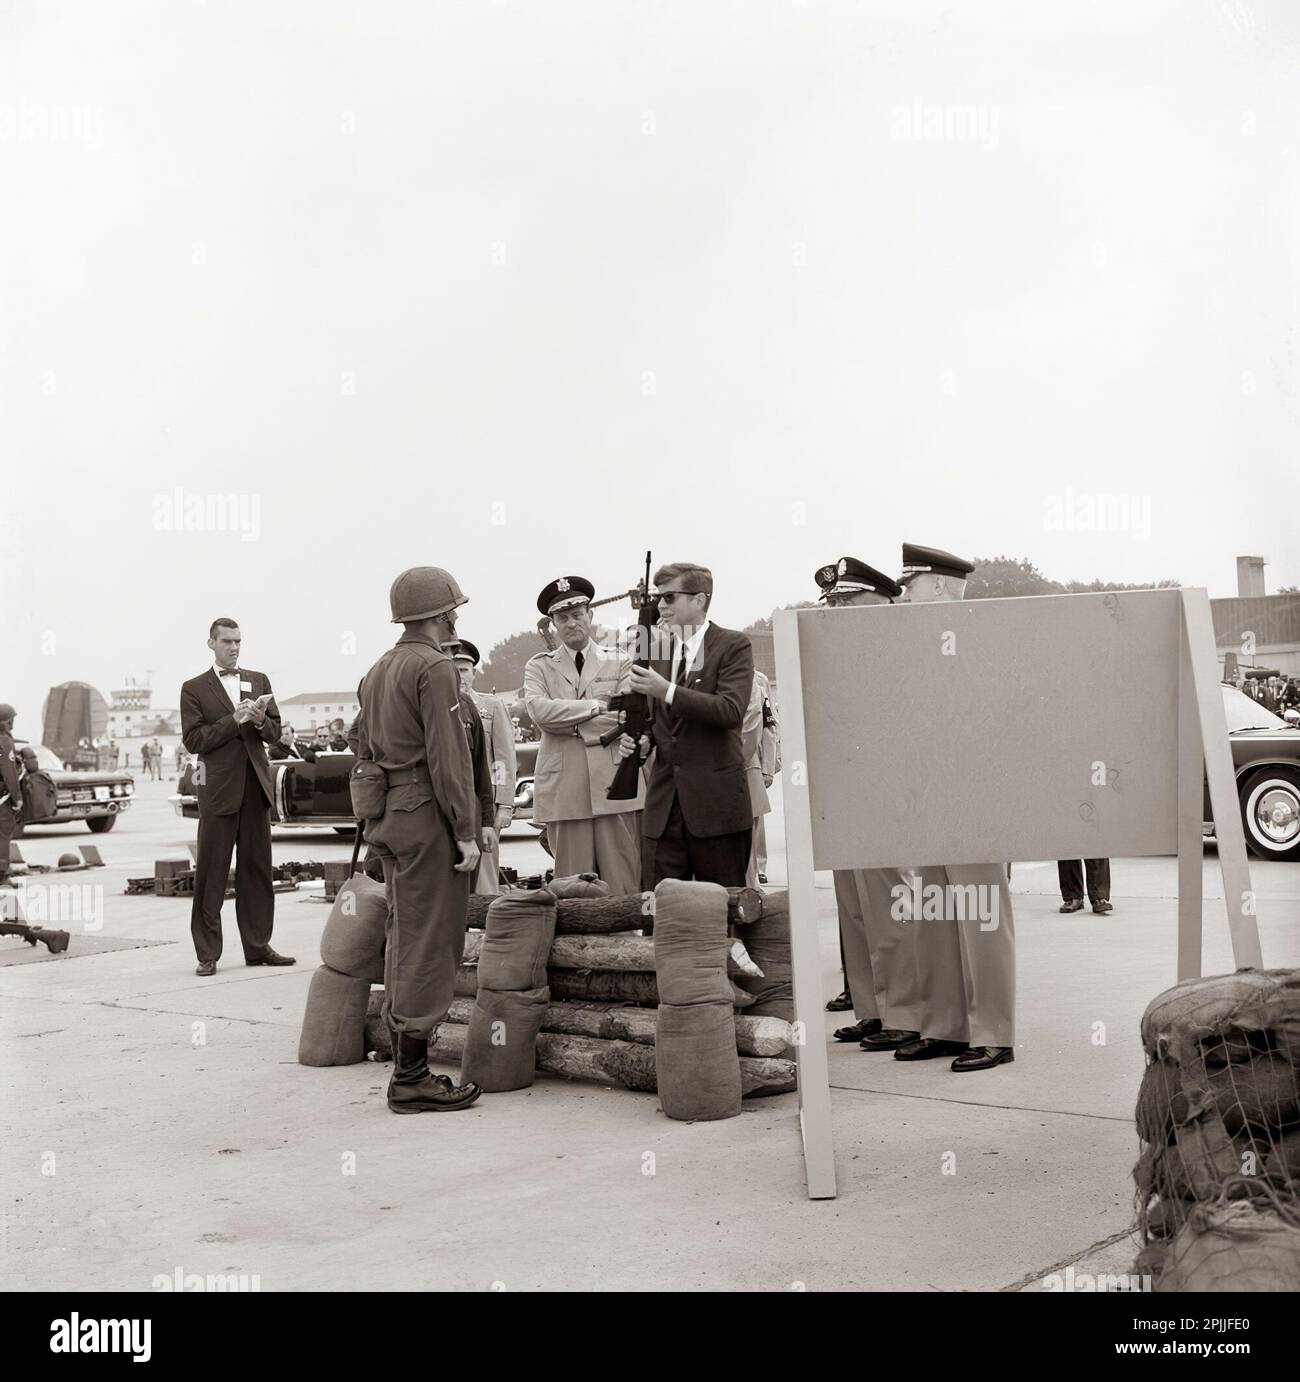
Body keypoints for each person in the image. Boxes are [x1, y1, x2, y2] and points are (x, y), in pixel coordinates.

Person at [354, 565, 481, 1114]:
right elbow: (448, 758)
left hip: (389, 817)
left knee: (404, 933)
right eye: (452, 609)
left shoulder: (378, 670)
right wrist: (466, 831)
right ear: (437, 614)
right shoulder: (435, 668)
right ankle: (411, 1077)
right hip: (428, 816)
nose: (456, 616)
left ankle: (407, 1062)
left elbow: (362, 747)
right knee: (431, 941)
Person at [892, 544, 1015, 1073]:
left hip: (974, 797)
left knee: (981, 917)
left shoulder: (980, 639)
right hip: (926, 796)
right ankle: (944, 1027)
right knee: (931, 916)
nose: (903, 593)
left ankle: (994, 1032)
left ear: (939, 585)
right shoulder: (915, 646)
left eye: (911, 583)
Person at [180, 619, 296, 977]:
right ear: (211, 643)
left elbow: (276, 734)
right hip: (217, 790)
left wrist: (261, 721)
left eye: (238, 641)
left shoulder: (259, 680)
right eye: (227, 641)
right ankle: (207, 953)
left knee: (257, 871)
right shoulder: (194, 688)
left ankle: (258, 947)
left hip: (254, 787)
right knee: (212, 873)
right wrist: (234, 719)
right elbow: (195, 741)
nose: (234, 647)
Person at [631, 561, 753, 887]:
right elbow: (658, 723)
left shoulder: (732, 645)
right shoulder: (657, 652)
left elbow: (729, 710)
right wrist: (644, 741)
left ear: (699, 600)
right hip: (664, 811)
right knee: (661, 917)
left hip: (716, 810)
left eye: (670, 598)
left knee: (724, 913)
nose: (661, 606)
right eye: (659, 598)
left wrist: (666, 690)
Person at [524, 577, 645, 892]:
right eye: (562, 618)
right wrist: (595, 706)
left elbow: (626, 718)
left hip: (614, 785)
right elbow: (539, 712)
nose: (571, 623)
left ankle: (628, 940)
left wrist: (566, 723)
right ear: (553, 624)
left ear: (590, 616)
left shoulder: (620, 661)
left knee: (622, 882)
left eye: (577, 614)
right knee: (573, 888)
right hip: (565, 789)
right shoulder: (539, 667)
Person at [450, 640, 517, 897]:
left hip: (484, 804)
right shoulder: (439, 706)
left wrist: (505, 804)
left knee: (486, 875)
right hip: (454, 803)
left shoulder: (491, 707)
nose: (459, 676)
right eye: (453, 669)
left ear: (475, 673)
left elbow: (503, 758)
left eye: (464, 669)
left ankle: (488, 928)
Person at [742, 669, 777, 889]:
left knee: (755, 820)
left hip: (750, 760)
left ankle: (759, 868)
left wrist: (769, 767)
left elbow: (768, 724)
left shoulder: (758, 680)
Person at [0, 704, 22, 889]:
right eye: (11, 721)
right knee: (3, 836)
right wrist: (17, 798)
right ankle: (2, 876)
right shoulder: (4, 742)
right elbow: (9, 774)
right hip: (2, 799)